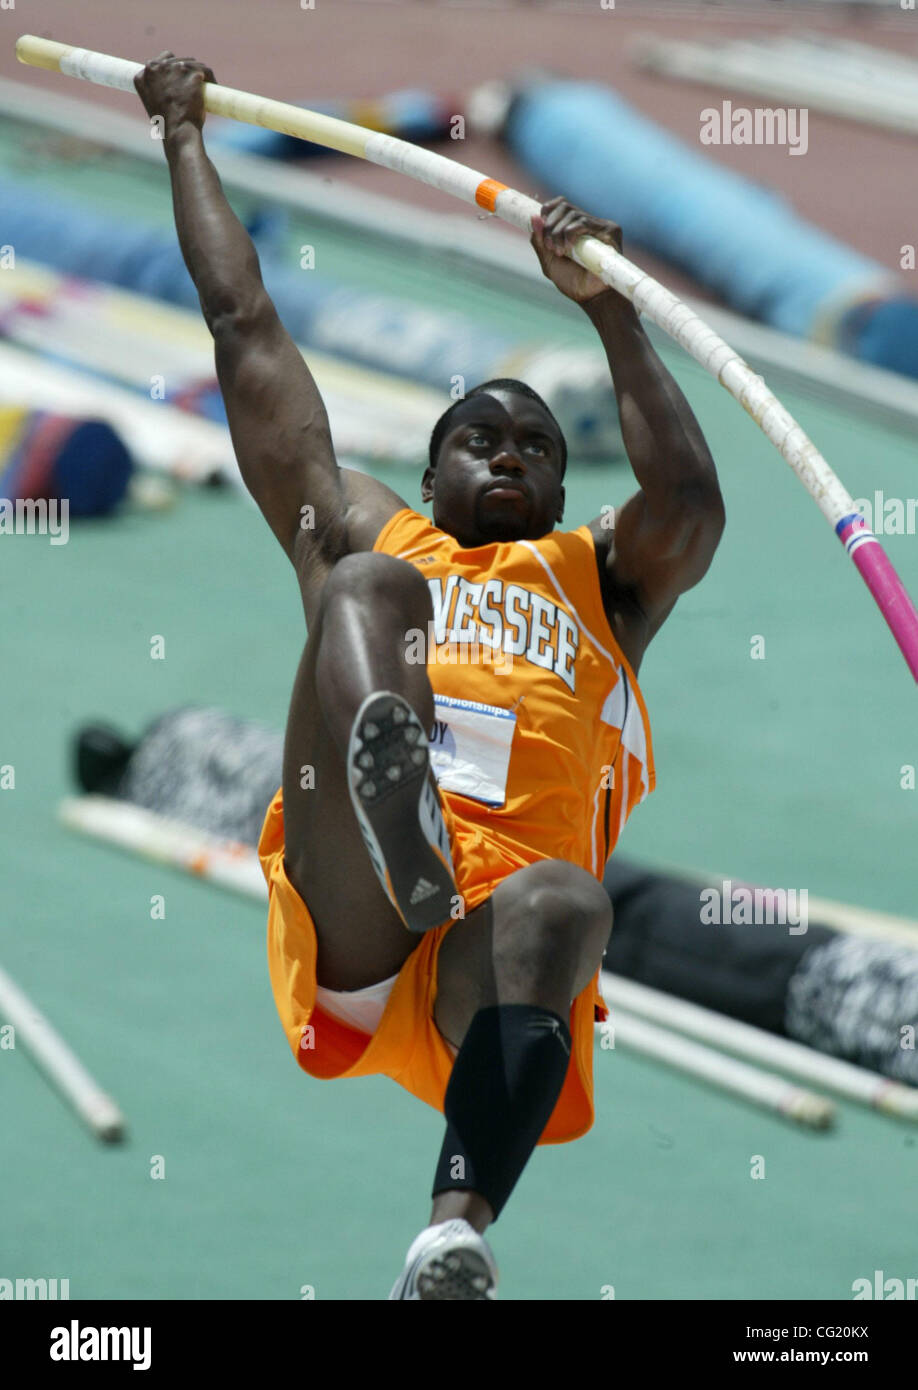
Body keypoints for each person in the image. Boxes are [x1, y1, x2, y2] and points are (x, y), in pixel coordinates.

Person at [135, 52, 725, 1300]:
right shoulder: (375, 527)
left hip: (488, 949)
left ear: (564, 496)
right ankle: (402, 806)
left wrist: (606, 304)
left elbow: (690, 502)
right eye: (479, 439)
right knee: (366, 591)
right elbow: (248, 331)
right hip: (363, 885)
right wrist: (184, 132)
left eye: (535, 449)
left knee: (572, 903)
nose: (507, 456)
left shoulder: (602, 584)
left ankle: (450, 1239)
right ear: (433, 462)